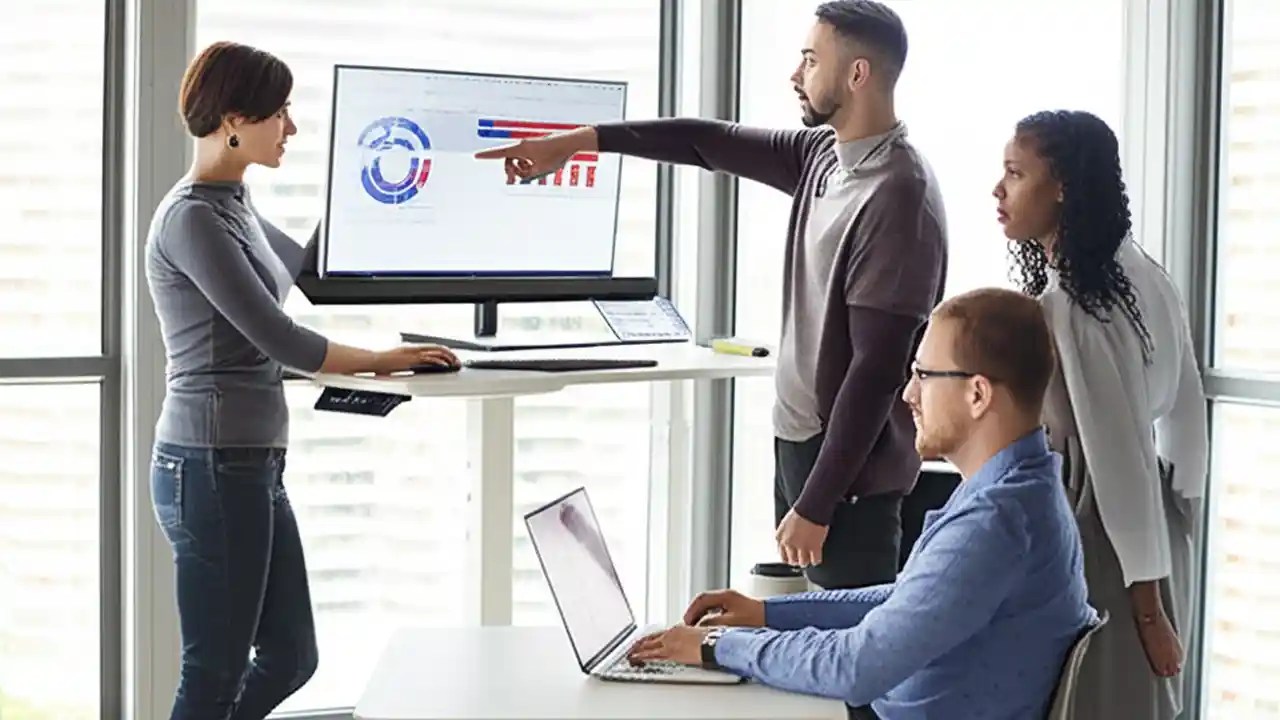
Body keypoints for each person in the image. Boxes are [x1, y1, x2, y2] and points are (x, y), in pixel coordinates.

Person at [477, 0, 947, 590]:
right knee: (803, 647)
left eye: (809, 60)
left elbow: (875, 371)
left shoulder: (899, 196)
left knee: (849, 657)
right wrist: (580, 141)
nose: (795, 75)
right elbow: (708, 143)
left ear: (857, 75)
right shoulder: (823, 158)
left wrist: (819, 502)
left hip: (850, 476)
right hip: (800, 445)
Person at [145, 41, 458, 720]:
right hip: (209, 464)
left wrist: (379, 178)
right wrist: (388, 359)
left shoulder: (234, 204)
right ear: (235, 117)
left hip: (250, 463)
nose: (291, 127)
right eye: (280, 112)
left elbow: (313, 275)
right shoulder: (193, 217)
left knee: (291, 656)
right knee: (213, 673)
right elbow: (279, 337)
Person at [627, 288, 1096, 720]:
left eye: (924, 375)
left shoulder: (996, 522)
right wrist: (766, 614)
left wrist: (716, 644)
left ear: (977, 394)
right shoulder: (1022, 488)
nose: (909, 394)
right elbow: (903, 600)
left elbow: (857, 666)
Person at [994, 109, 1209, 719]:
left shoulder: (1074, 307)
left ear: (1061, 187)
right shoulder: (1142, 275)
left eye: (1015, 173)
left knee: (1098, 698)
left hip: (1106, 538)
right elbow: (1186, 419)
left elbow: (1117, 462)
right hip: (1159, 525)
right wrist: (1182, 513)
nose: (998, 189)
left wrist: (1147, 608)